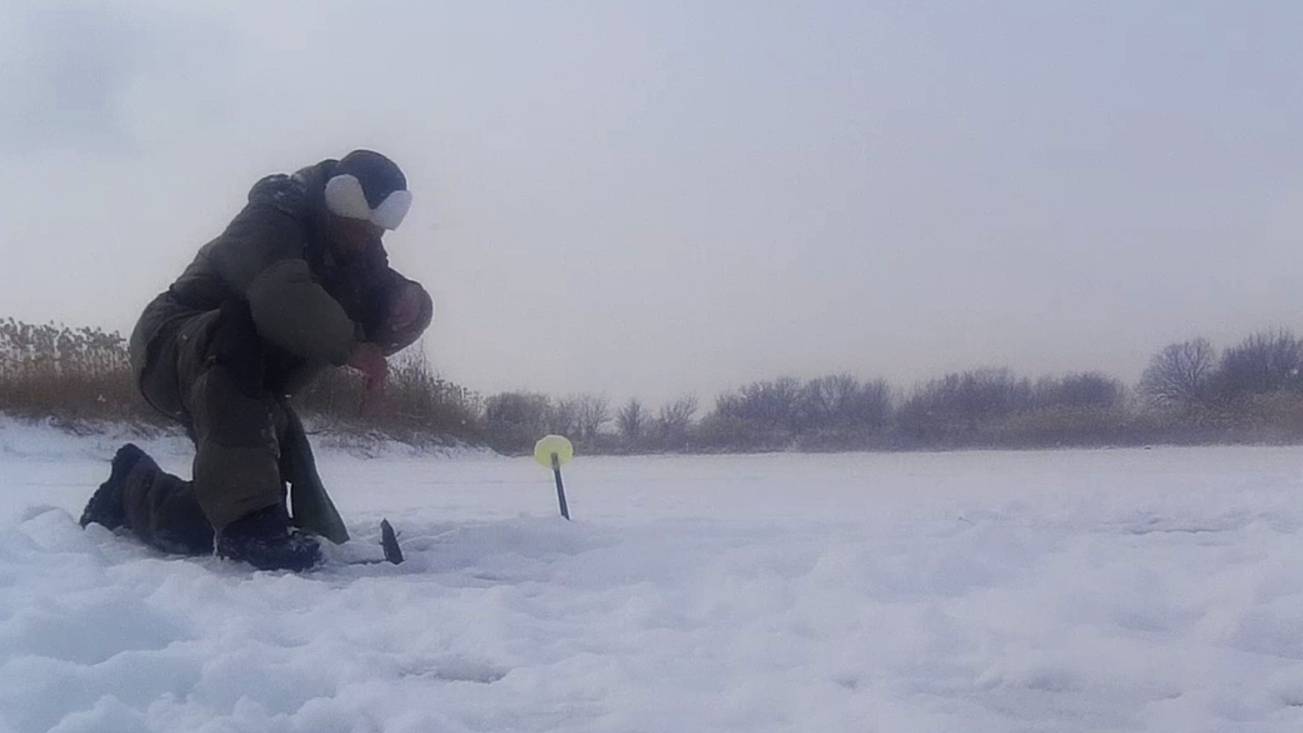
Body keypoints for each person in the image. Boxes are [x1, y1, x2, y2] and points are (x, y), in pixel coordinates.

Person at [78, 150, 433, 571]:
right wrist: (356, 350)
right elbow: (279, 296)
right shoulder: (274, 214)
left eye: (376, 229)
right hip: (173, 345)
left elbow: (377, 298)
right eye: (359, 224)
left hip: (241, 384)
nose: (366, 237)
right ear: (338, 199)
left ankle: (133, 487)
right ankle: (250, 525)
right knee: (239, 332)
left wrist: (409, 305)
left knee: (215, 517)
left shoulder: (361, 250)